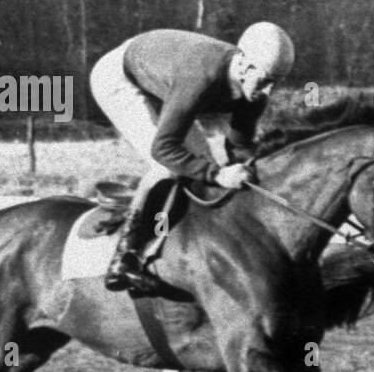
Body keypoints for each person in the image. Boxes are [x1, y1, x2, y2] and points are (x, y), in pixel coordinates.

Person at [90, 21, 295, 295]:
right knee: (170, 168)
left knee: (209, 163)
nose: (268, 92)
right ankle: (126, 257)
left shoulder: (253, 89)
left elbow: (240, 147)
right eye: (267, 80)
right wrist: (218, 175)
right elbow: (164, 148)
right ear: (245, 66)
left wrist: (245, 171)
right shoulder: (200, 78)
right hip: (119, 78)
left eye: (276, 83)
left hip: (164, 77)